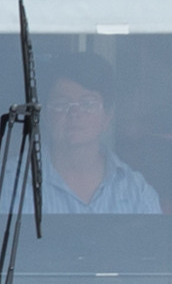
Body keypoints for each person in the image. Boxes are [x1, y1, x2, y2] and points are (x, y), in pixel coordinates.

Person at [40, 67, 162, 215]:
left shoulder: (137, 192)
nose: (75, 113)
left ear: (107, 117)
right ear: (45, 116)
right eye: (62, 104)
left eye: (88, 104)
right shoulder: (10, 184)